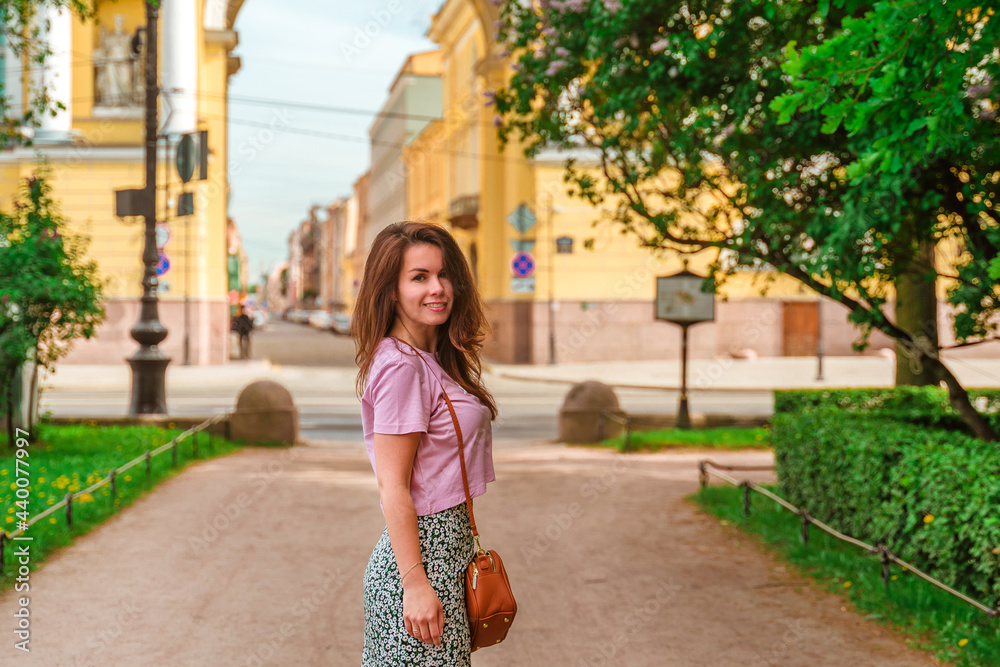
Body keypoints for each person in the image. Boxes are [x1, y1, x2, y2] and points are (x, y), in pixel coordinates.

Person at [354, 222, 498, 666]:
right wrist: (415, 584)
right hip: (423, 566)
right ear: (391, 291)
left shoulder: (431, 360)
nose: (438, 288)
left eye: (443, 274)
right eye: (419, 277)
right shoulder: (402, 367)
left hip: (445, 559)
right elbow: (393, 485)